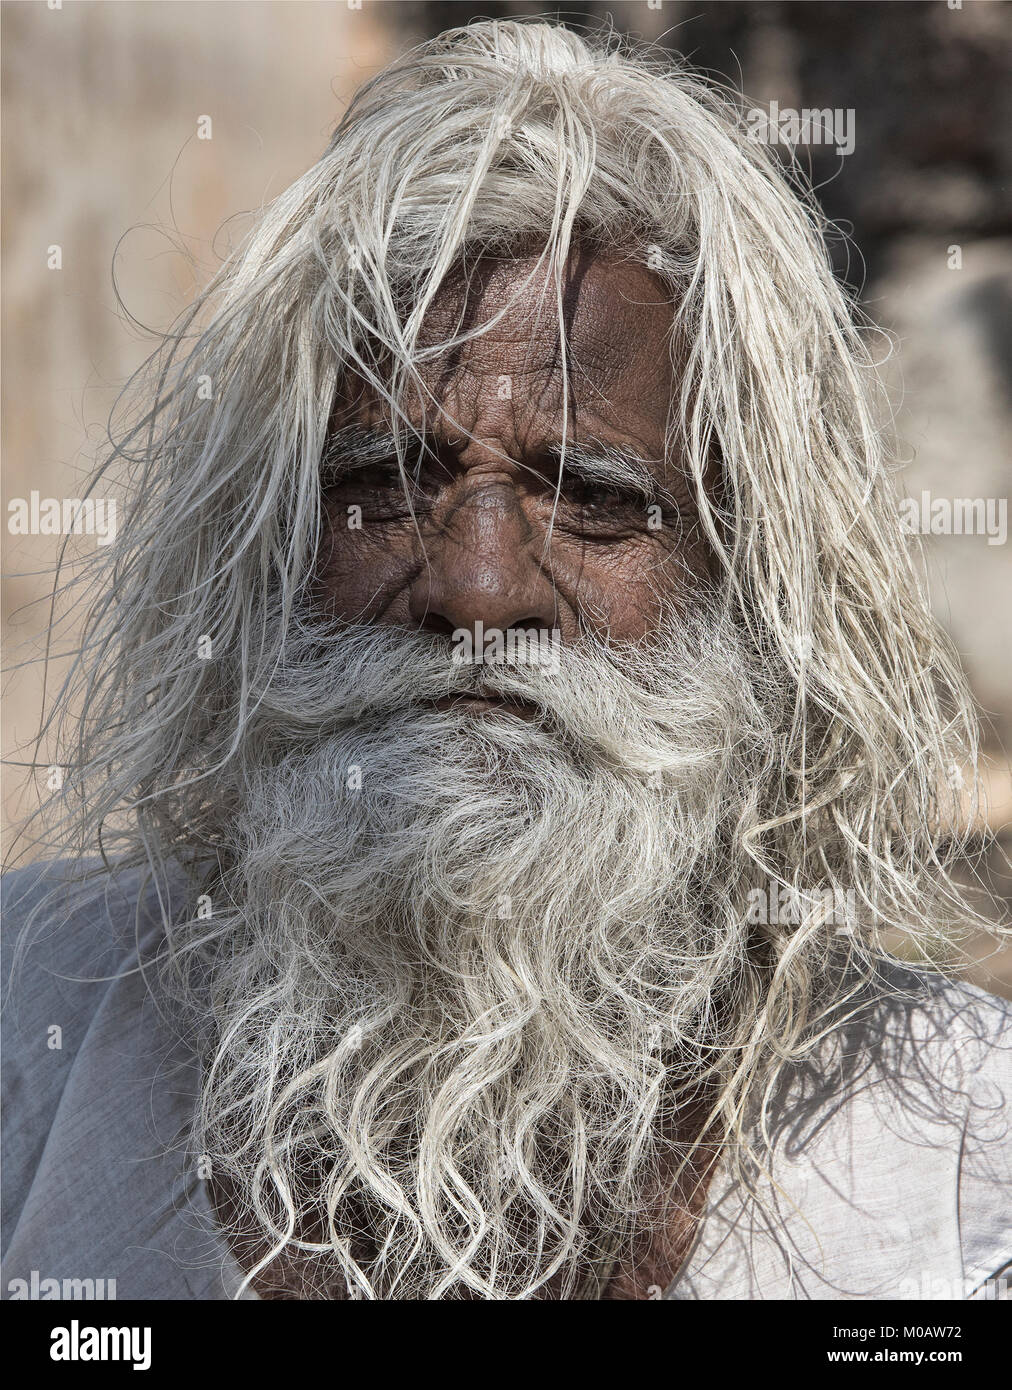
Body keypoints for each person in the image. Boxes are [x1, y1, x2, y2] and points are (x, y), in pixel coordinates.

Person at [3, 19, 1009, 1302]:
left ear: (749, 579)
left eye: (592, 498)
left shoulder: (960, 1162)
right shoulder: (36, 1017)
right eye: (380, 486)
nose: (477, 591)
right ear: (260, 557)